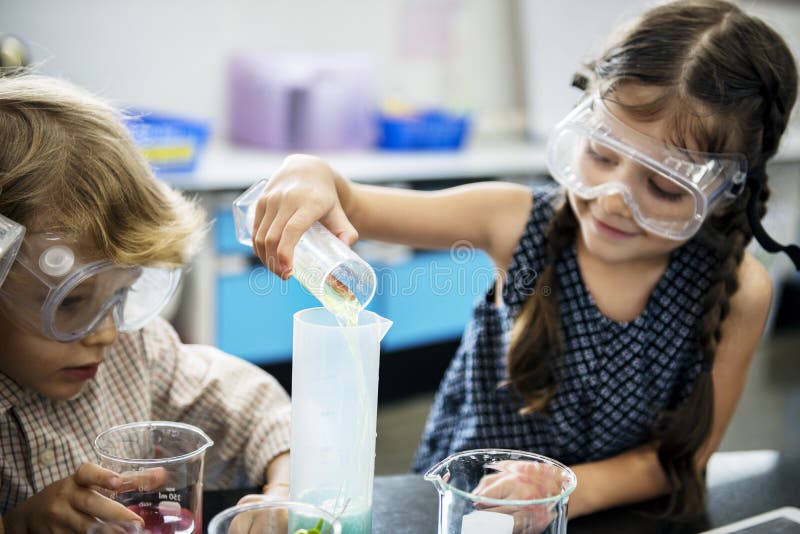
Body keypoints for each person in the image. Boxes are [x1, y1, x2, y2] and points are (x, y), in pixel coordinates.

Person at [248, 0, 799, 521]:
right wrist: (310, 171)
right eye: (601, 154)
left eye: (662, 187)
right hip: (464, 510)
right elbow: (353, 201)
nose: (611, 198)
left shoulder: (738, 290)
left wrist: (554, 493)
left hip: (612, 519)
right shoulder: (513, 219)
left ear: (728, 191)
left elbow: (682, 459)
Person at [0, 75, 292, 532]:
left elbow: (256, 410)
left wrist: (283, 492)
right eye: (72, 301)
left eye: (121, 293)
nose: (106, 332)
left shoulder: (134, 350)